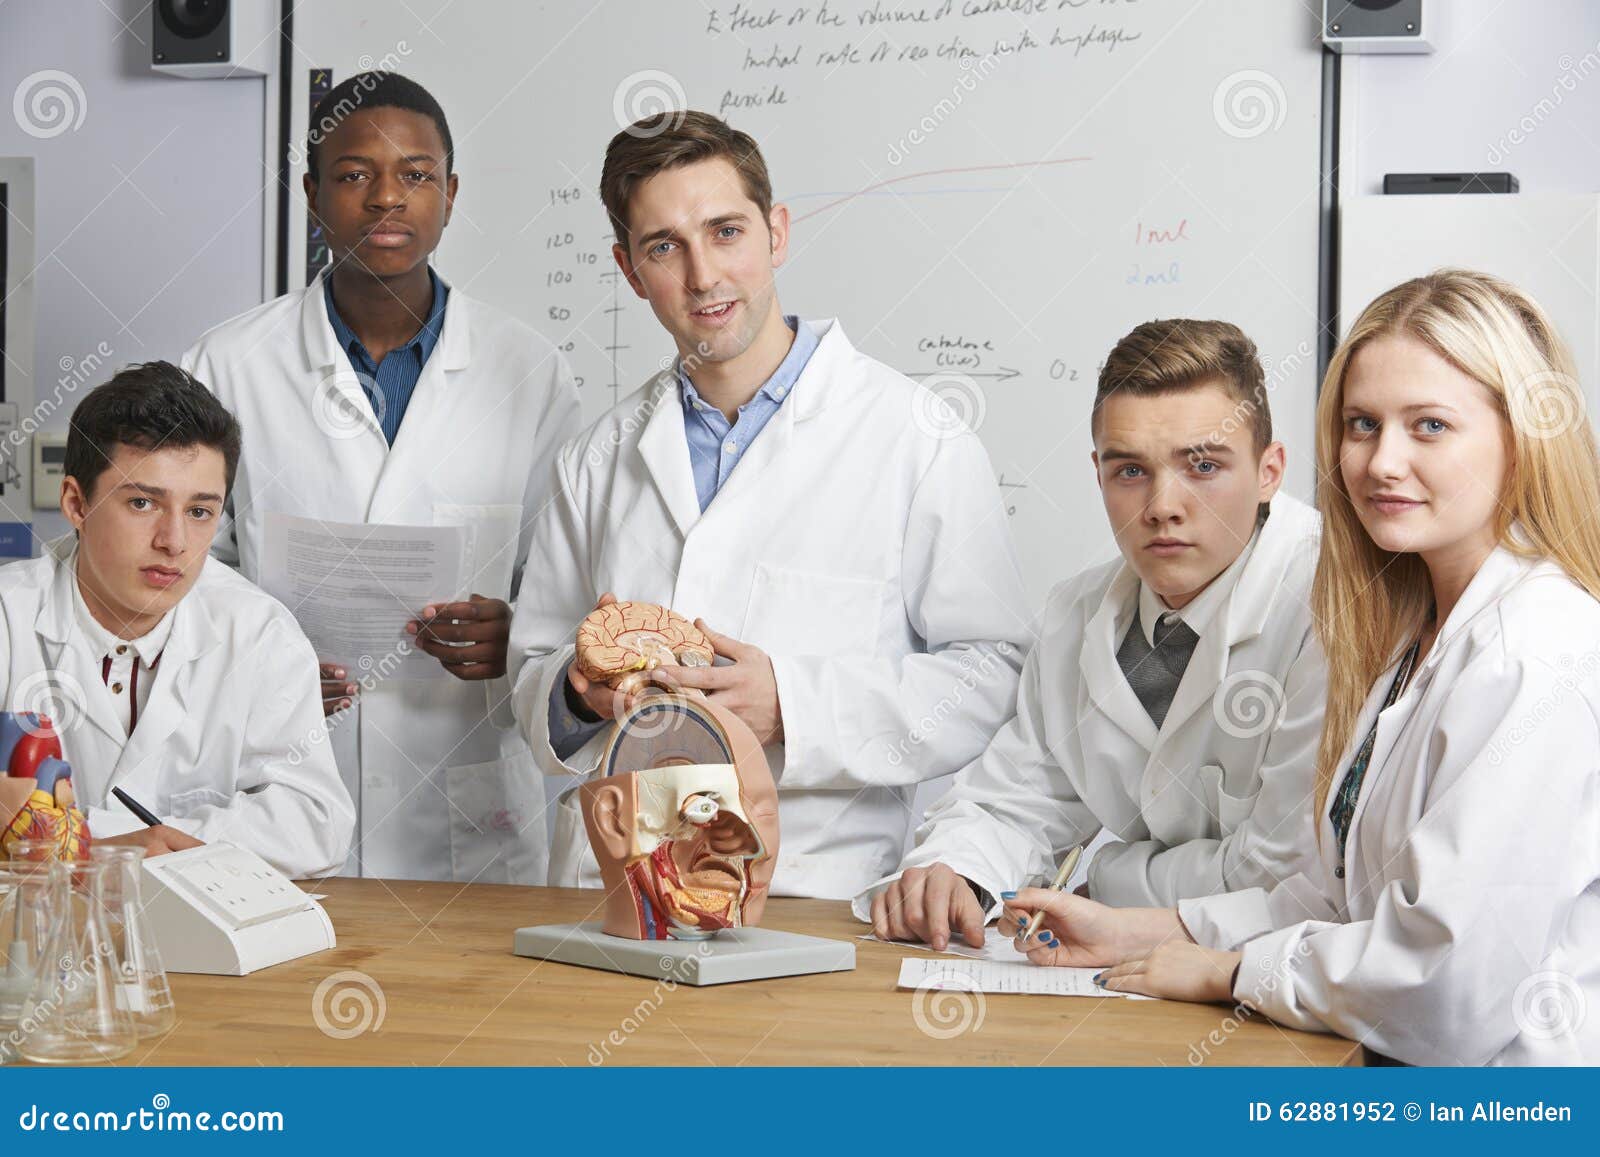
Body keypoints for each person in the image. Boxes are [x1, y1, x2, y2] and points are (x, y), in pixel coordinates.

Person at [1004, 271, 1600, 1066]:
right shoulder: (1412, 637)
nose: (1382, 461)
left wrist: (1230, 972)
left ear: (1522, 437)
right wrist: (1139, 931)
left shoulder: (1533, 650)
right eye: (1363, 424)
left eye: (1429, 425)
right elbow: (1335, 899)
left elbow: (1448, 988)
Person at [507, 110, 1031, 899]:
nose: (703, 276)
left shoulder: (917, 439)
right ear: (629, 269)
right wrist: (577, 691)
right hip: (613, 893)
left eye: (726, 232)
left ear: (776, 232)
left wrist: (794, 704)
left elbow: (990, 674)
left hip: (810, 891)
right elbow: (532, 671)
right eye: (664, 247)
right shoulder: (595, 459)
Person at [182, 72, 581, 884]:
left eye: (416, 174)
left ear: (450, 194)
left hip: (467, 799)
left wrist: (518, 634)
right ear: (313, 195)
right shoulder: (228, 365)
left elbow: (566, 575)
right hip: (284, 776)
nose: (387, 198)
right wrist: (259, 657)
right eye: (355, 173)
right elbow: (187, 564)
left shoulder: (529, 371)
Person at [861, 319, 1324, 949]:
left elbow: (1284, 879)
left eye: (1203, 466)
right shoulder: (1078, 613)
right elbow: (1019, 799)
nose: (1163, 506)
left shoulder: (1331, 604)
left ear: (1270, 471)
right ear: (1097, 473)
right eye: (1130, 470)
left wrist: (1106, 877)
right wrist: (957, 873)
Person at [0, 362, 353, 878]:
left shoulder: (258, 632)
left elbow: (317, 824)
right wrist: (111, 846)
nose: (175, 542)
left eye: (199, 511)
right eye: (142, 502)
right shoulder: (8, 616)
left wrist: (104, 840)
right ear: (77, 504)